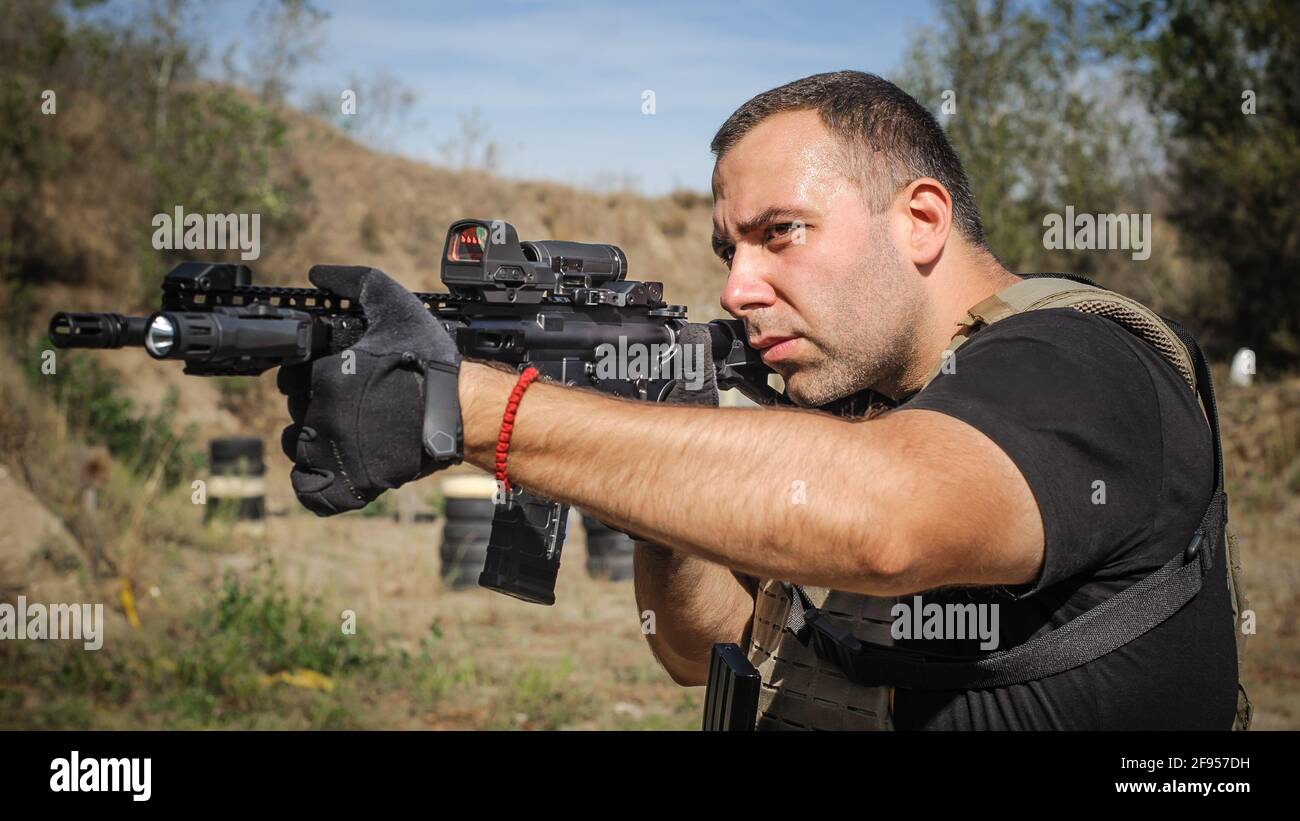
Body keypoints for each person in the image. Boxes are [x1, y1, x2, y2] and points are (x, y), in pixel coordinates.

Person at [278, 71, 1240, 730]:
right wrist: (654, 461)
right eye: (727, 251)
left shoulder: (1083, 359)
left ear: (920, 219)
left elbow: (881, 523)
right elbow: (703, 649)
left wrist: (483, 410)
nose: (738, 288)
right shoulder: (851, 393)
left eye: (781, 233)